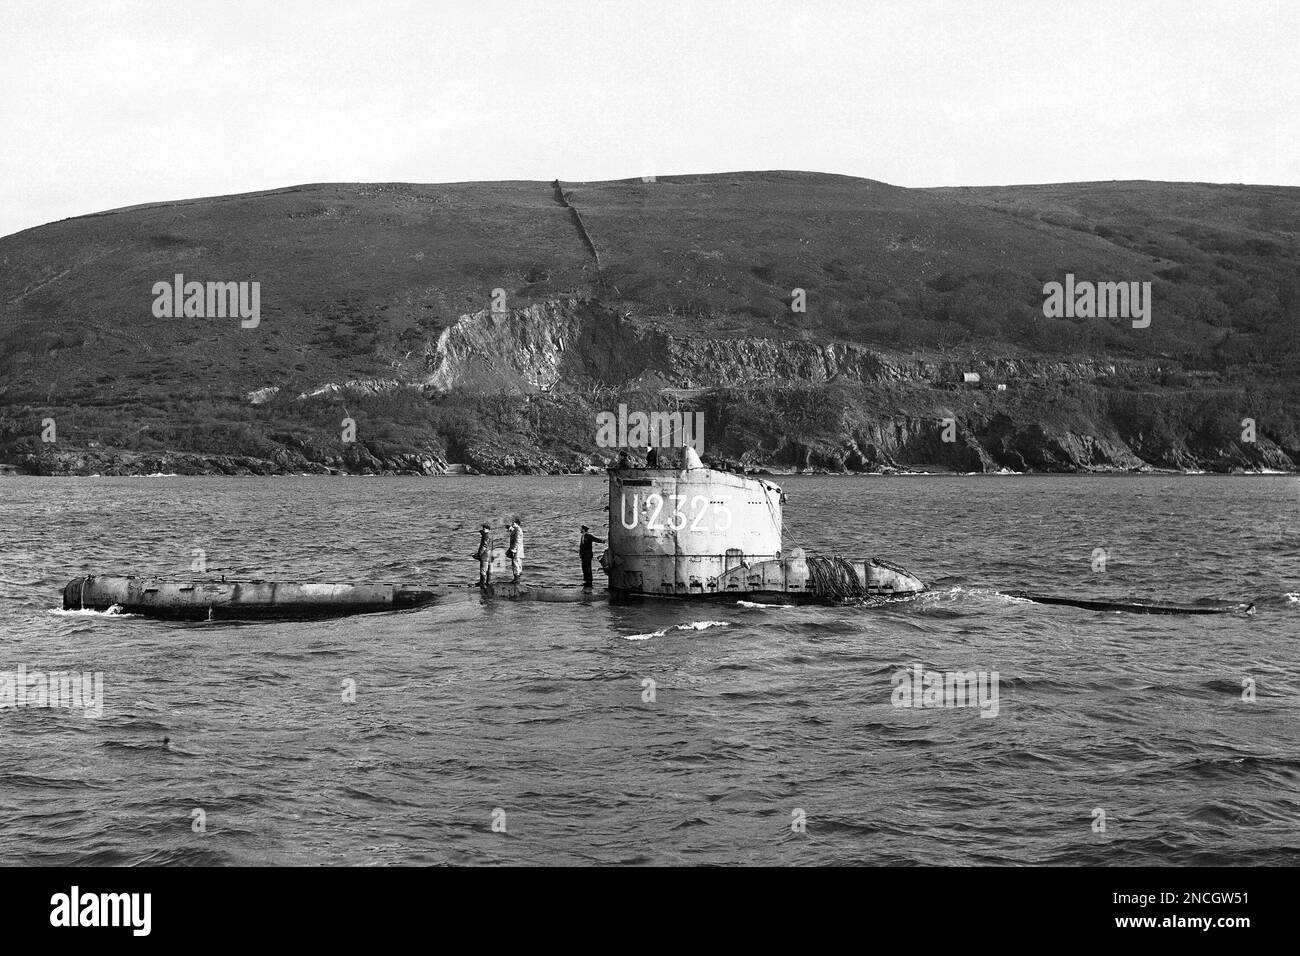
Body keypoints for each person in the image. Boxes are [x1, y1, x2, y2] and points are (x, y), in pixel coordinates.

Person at [578, 524, 606, 588]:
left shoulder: (589, 536)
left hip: (587, 555)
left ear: (583, 529)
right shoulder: (582, 536)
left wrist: (602, 541)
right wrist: (580, 554)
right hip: (583, 555)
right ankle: (585, 580)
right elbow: (581, 546)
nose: (580, 530)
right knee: (584, 568)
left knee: (588, 568)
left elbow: (595, 539)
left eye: (581, 529)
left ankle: (589, 581)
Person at [506, 518, 524, 583]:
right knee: (516, 563)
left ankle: (517, 578)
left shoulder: (518, 530)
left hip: (517, 550)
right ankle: (517, 578)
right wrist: (510, 528)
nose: (512, 523)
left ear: (517, 523)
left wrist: (513, 550)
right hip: (517, 549)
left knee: (516, 563)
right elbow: (513, 532)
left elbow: (517, 541)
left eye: (513, 523)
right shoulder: (516, 529)